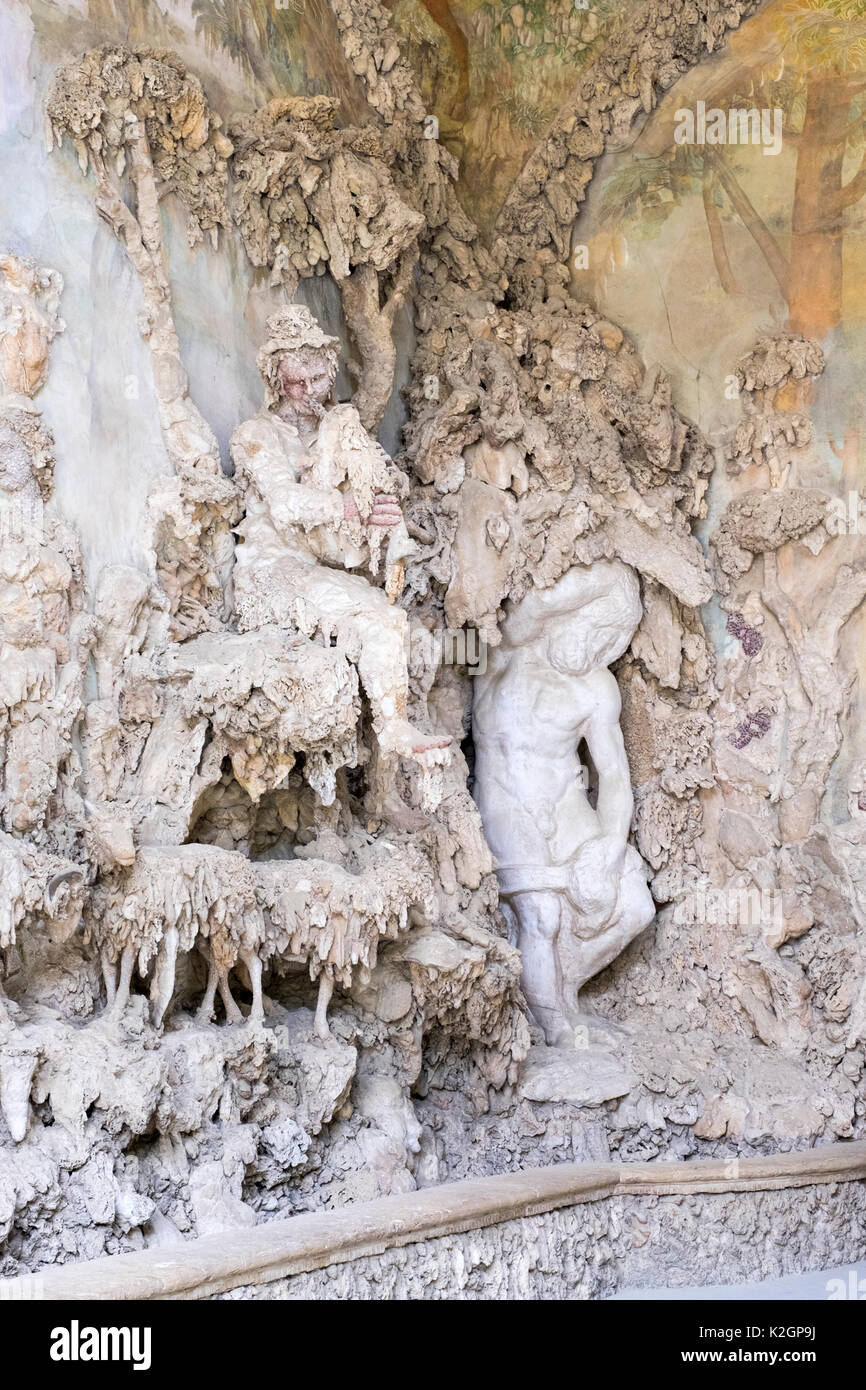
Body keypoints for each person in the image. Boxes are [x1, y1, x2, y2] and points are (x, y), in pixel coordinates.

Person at [472, 560, 654, 1047]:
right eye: (595, 633)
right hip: (508, 804)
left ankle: (558, 988)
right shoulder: (504, 652)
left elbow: (614, 776)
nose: (598, 649)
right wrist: (611, 586)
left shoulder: (596, 687)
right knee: (543, 916)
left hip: (568, 805)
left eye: (609, 643)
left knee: (636, 905)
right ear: (576, 615)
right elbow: (531, 610)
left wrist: (612, 846)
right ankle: (555, 1029)